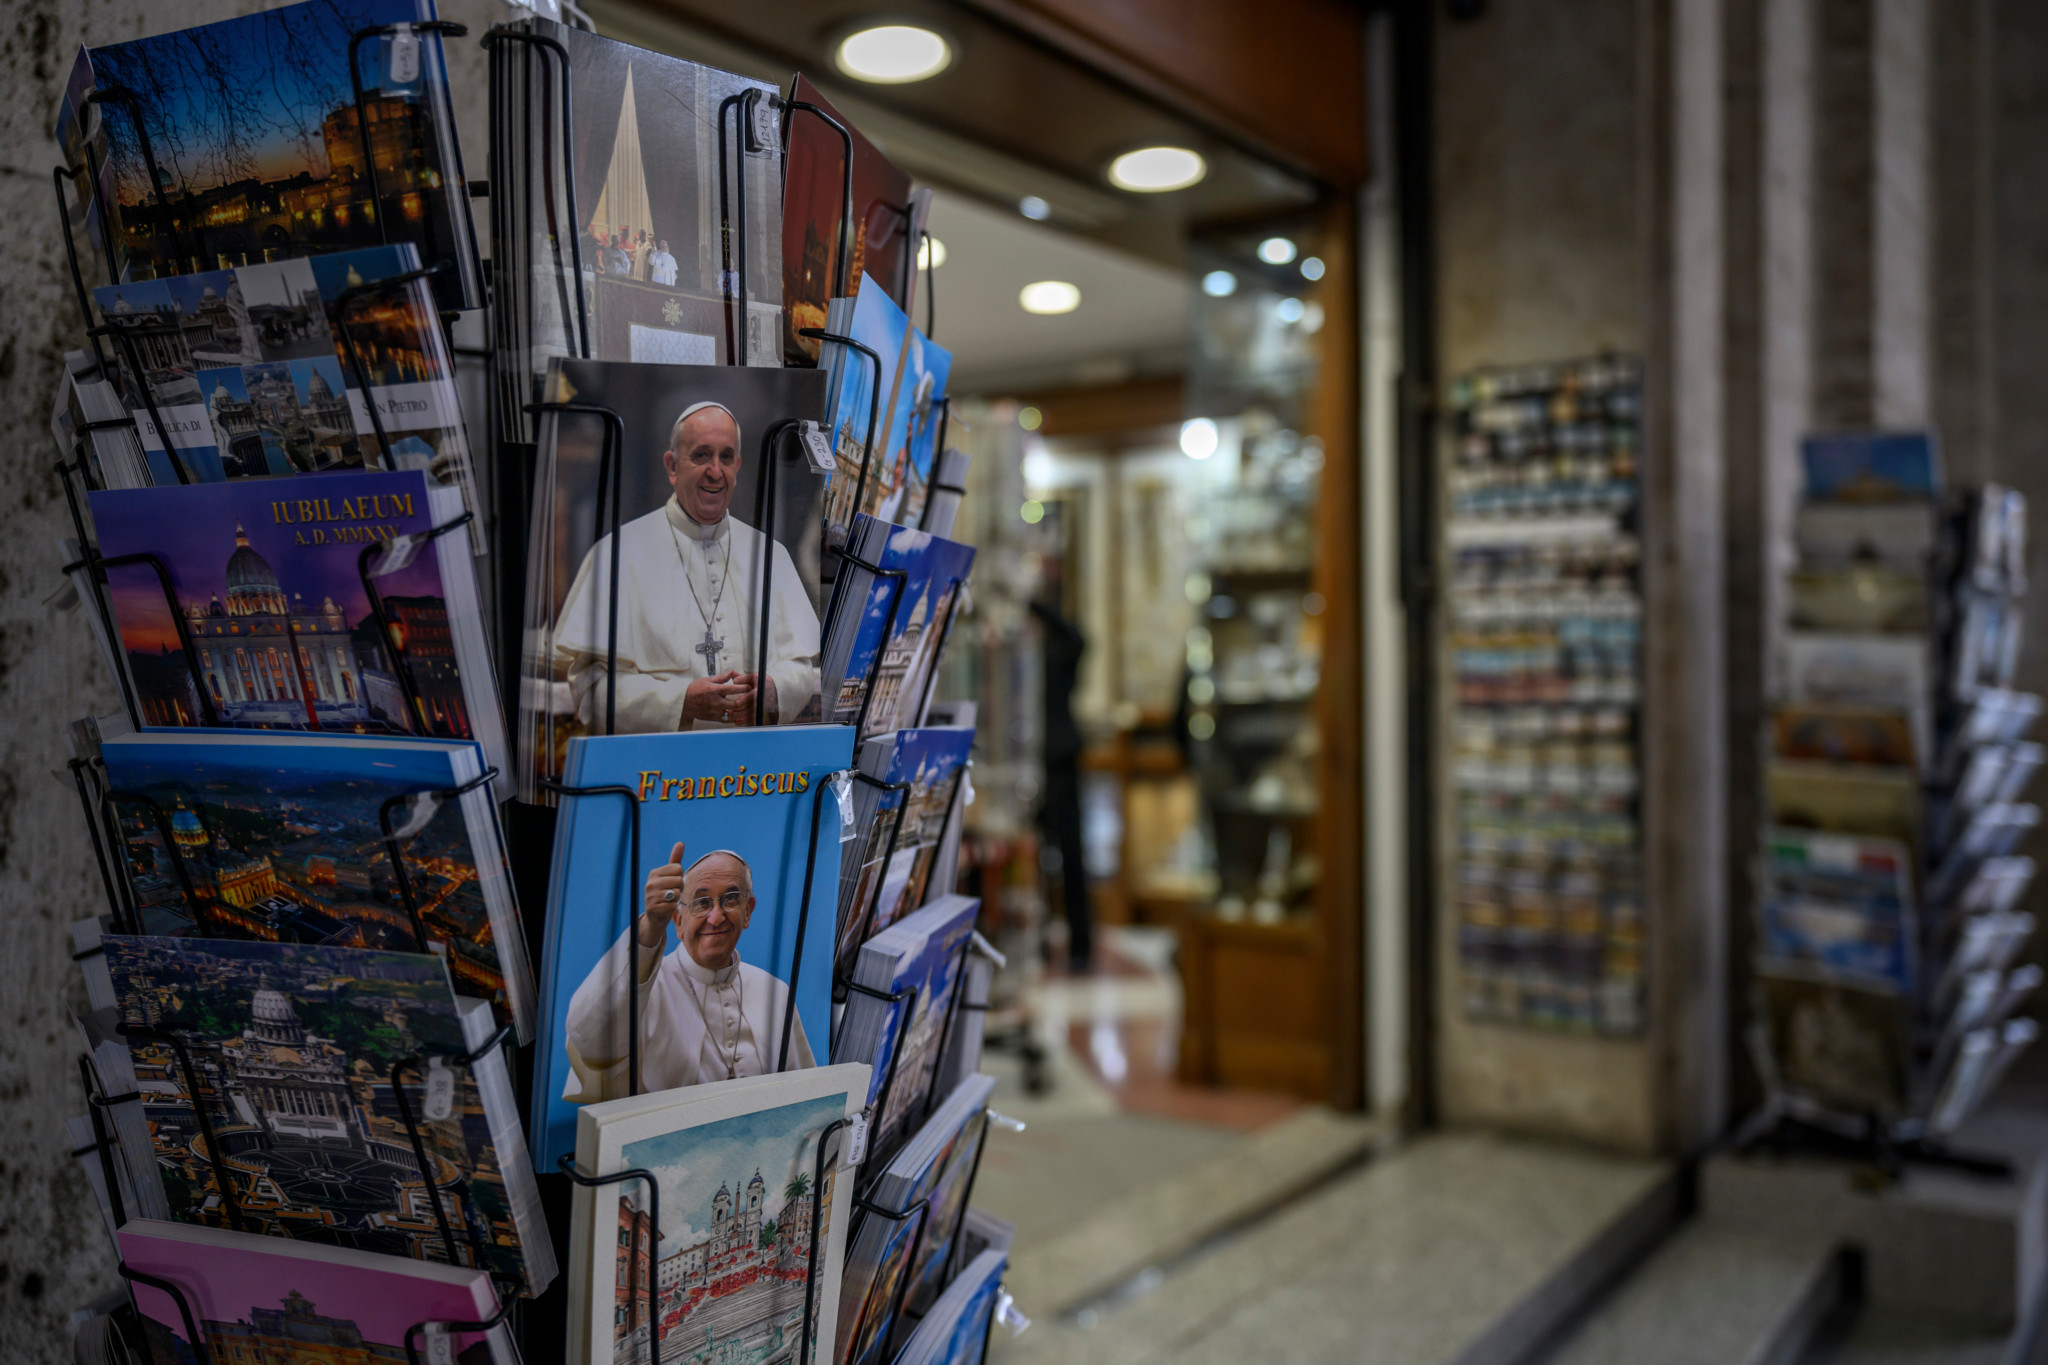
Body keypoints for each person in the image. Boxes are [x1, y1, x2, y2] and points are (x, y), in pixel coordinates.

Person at [553, 401, 820, 731]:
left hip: (750, 774)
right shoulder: (617, 554)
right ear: (672, 466)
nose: (715, 471)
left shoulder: (771, 555)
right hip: (655, 774)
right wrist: (681, 701)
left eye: (725, 457)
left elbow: (801, 667)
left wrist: (774, 691)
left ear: (737, 466)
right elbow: (589, 690)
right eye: (701, 455)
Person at [562, 843, 814, 1101]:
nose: (716, 917)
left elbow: (803, 1092)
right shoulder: (646, 988)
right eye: (701, 903)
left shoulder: (775, 992)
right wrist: (650, 925)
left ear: (747, 911)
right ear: (678, 921)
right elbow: (591, 1044)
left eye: (730, 899)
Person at [1030, 571, 1091, 970]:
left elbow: (1080, 639)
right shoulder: (1032, 650)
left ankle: (1081, 944)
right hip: (1035, 758)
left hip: (1060, 759)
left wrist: (1036, 607)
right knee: (1035, 854)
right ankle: (1040, 938)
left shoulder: (1064, 646)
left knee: (1070, 852)